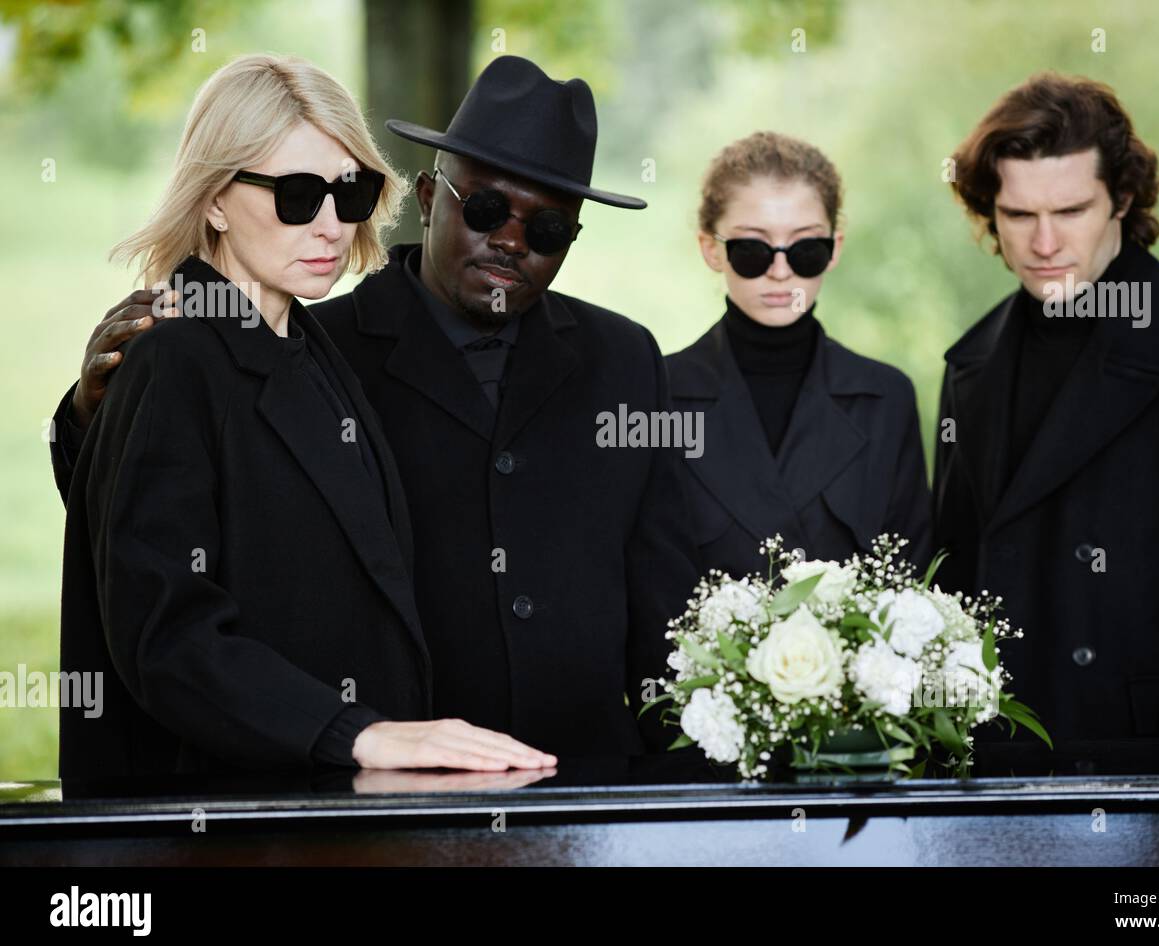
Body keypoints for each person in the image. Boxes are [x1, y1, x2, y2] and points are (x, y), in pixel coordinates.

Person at [51, 55, 701, 762]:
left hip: (431, 795)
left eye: (350, 194)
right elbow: (162, 615)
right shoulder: (205, 350)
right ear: (212, 199)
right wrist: (356, 734)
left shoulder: (304, 351)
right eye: (297, 196)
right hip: (264, 812)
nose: (330, 227)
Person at [933, 72, 1159, 753]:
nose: (1044, 244)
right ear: (990, 214)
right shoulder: (968, 368)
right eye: (1019, 216)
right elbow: (950, 589)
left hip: (1140, 785)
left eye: (1071, 212)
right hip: (983, 782)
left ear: (1122, 199)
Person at [667, 132, 931, 579]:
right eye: (752, 249)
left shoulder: (886, 400)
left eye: (806, 249)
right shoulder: (657, 394)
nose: (781, 271)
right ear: (711, 249)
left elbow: (913, 581)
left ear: (835, 250)